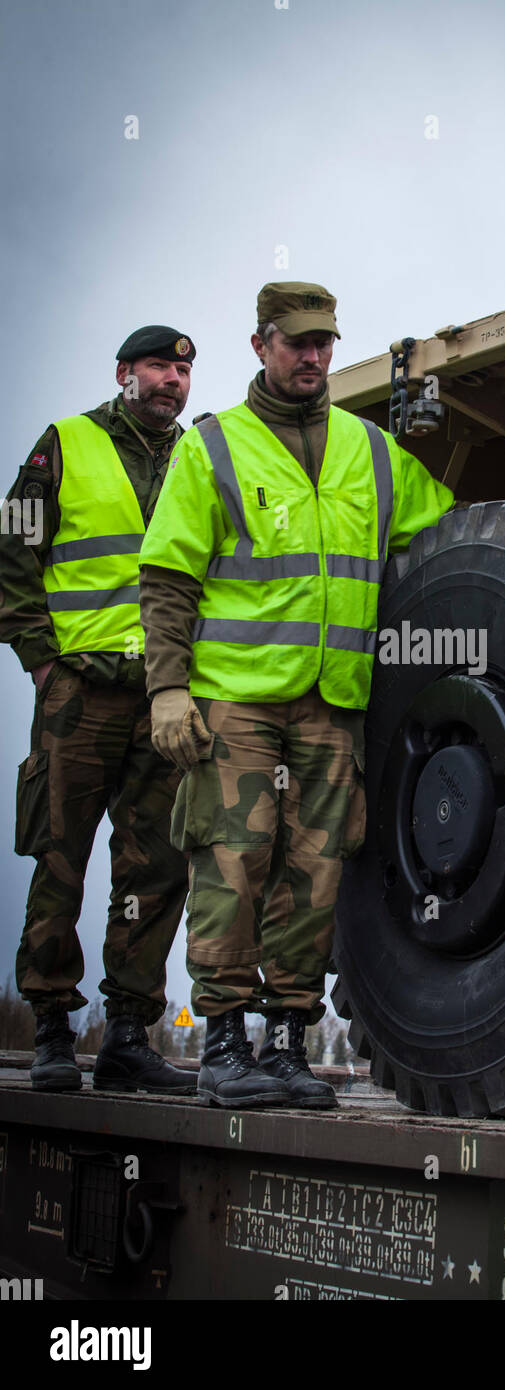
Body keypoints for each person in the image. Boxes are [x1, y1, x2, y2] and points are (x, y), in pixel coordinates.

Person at [138, 282, 453, 1109]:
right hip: (235, 703)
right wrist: (168, 690)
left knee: (315, 875)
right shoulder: (212, 449)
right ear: (260, 345)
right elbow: (168, 579)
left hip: (332, 703)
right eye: (297, 342)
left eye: (324, 343)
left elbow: (446, 535)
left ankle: (285, 1043)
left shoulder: (373, 452)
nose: (313, 357)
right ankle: (223, 1049)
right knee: (233, 866)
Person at [1, 326, 199, 1094]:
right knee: (59, 856)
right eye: (157, 366)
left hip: (164, 696)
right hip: (78, 694)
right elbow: (15, 547)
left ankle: (126, 1036)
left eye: (182, 370)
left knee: (155, 865)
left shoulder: (196, 458)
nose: (171, 380)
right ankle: (52, 1028)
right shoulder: (67, 444)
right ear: (124, 373)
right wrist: (40, 659)